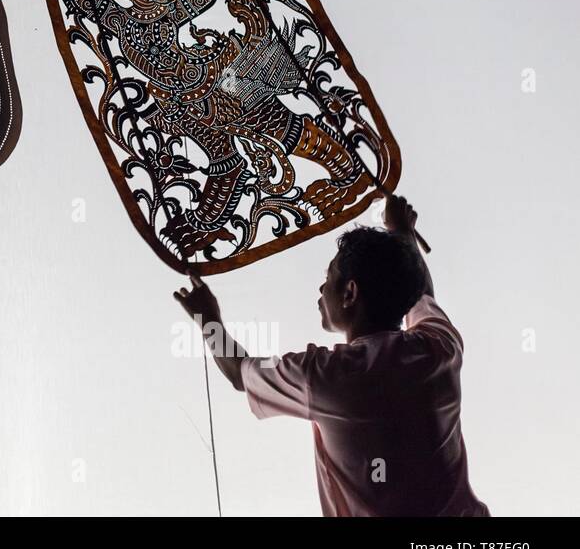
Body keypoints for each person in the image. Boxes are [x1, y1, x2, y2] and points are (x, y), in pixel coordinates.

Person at [173, 195, 489, 517]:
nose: (320, 290)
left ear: (350, 293)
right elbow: (421, 294)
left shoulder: (325, 377)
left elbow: (240, 372)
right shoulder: (439, 349)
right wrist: (402, 232)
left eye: (328, 278)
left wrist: (207, 319)